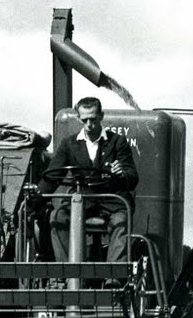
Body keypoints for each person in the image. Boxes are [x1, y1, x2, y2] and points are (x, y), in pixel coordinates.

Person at [39, 97, 138, 262]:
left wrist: (121, 173)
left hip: (112, 201)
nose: (89, 125)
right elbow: (52, 177)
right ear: (79, 118)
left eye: (93, 119)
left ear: (101, 116)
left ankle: (114, 273)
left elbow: (132, 177)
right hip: (82, 200)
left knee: (121, 220)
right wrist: (35, 198)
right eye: (84, 120)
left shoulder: (117, 142)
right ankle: (69, 270)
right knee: (58, 217)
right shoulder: (69, 144)